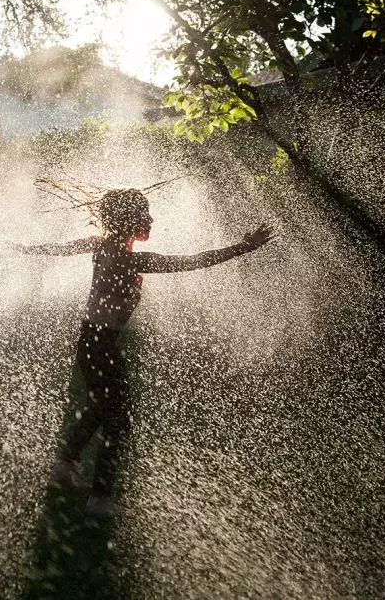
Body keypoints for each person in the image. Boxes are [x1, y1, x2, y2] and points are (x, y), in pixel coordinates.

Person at [16, 188, 276, 515]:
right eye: (145, 214)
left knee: (100, 405)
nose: (151, 219)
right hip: (100, 342)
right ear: (129, 220)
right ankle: (99, 498)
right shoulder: (129, 258)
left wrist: (26, 248)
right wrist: (244, 246)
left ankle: (64, 465)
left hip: (92, 341)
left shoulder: (102, 245)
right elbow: (194, 262)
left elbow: (62, 248)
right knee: (118, 417)